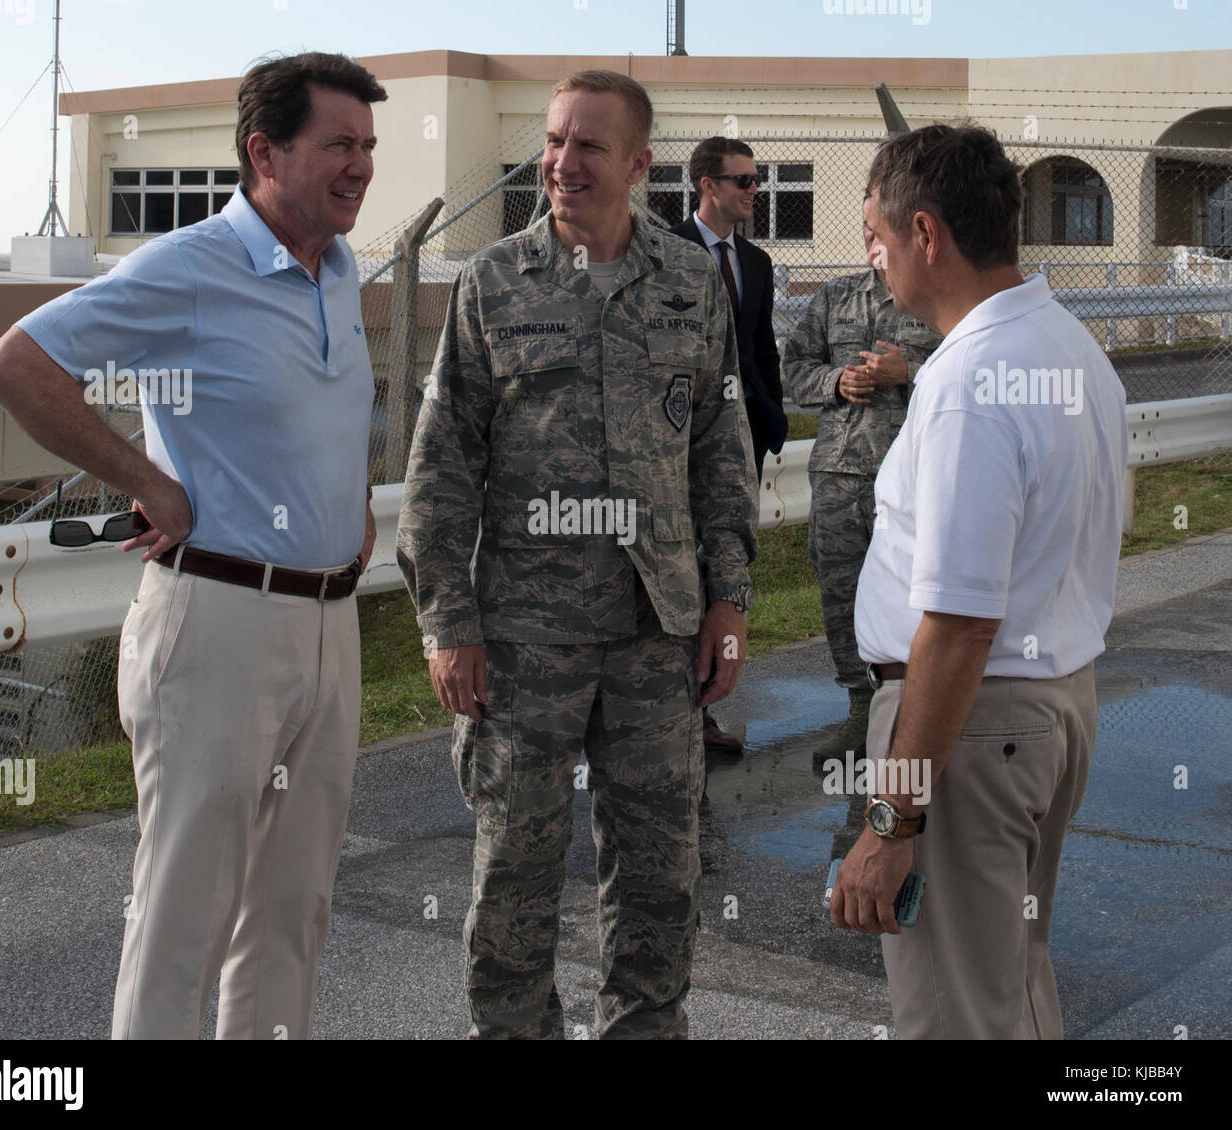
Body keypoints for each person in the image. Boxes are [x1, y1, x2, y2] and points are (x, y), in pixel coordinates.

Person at [0, 52, 386, 1040]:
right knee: (185, 918)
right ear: (263, 150)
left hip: (330, 623)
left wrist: (353, 506)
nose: (363, 166)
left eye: (369, 147)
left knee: (292, 912)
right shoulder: (189, 265)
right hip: (218, 622)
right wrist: (145, 480)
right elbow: (15, 367)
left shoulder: (336, 271)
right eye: (339, 144)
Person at [396, 69, 757, 1039]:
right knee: (514, 874)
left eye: (587, 145)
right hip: (522, 640)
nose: (561, 161)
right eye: (553, 141)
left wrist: (729, 598)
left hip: (654, 633)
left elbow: (720, 447)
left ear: (637, 165)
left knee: (656, 874)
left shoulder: (689, 282)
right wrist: (446, 622)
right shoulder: (492, 284)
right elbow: (439, 469)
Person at [829, 124, 1128, 1041]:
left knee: (958, 1017)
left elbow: (958, 626)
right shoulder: (1066, 344)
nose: (872, 261)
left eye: (876, 238)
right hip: (1042, 710)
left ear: (927, 235)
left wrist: (889, 818)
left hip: (969, 728)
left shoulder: (973, 380)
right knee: (1008, 991)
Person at [783, 196, 942, 858]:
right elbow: (791, 369)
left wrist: (910, 371)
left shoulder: (937, 299)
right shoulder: (836, 298)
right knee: (840, 591)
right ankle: (859, 706)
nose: (874, 243)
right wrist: (836, 380)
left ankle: (919, 714)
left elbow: (975, 369)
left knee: (921, 600)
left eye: (884, 232)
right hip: (844, 475)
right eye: (868, 232)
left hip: (917, 475)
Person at [668, 136, 787, 758]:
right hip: (680, 445)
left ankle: (708, 704)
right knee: (687, 572)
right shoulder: (665, 254)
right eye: (741, 181)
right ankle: (687, 719)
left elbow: (761, 348)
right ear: (706, 186)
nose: (753, 191)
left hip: (743, 439)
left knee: (730, 570)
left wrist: (771, 423)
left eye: (756, 180)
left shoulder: (757, 263)